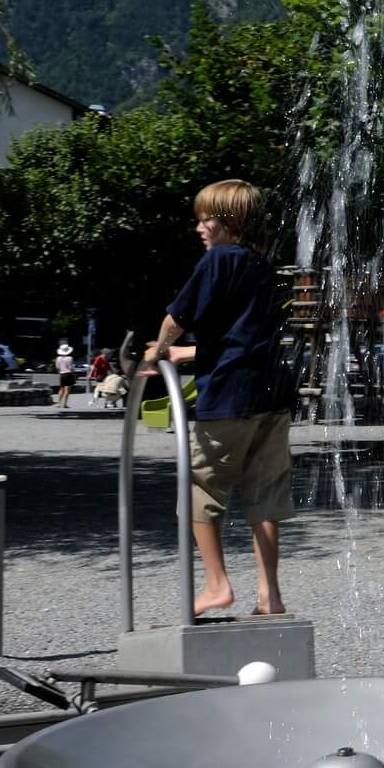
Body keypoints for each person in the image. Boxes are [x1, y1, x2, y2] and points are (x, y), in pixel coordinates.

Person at [143, 179, 295, 620]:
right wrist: (187, 353)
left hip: (229, 395)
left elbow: (177, 316)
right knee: (265, 494)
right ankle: (270, 596)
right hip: (271, 393)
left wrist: (156, 350)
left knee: (200, 486)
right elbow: (242, 338)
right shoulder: (260, 265)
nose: (200, 228)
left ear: (228, 222)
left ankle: (216, 585)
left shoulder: (218, 261)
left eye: (206, 218)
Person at [53, 341, 78, 410]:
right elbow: (71, 368)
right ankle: (65, 404)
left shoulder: (58, 358)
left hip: (62, 374)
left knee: (61, 389)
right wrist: (74, 375)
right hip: (68, 374)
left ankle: (59, 403)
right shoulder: (70, 358)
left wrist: (60, 373)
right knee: (67, 390)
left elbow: (57, 367)